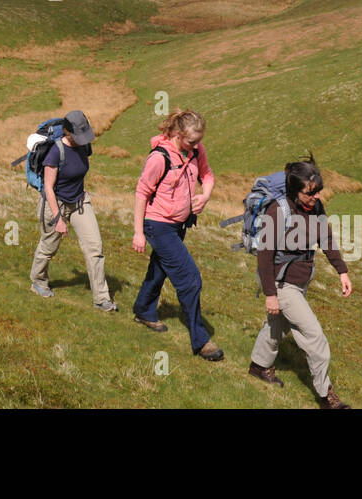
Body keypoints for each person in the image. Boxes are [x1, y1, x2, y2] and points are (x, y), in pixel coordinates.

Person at [247, 157, 354, 408]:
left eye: (318, 191)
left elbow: (326, 238)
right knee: (315, 337)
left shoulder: (315, 208)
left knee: (277, 326)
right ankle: (326, 395)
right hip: (283, 285)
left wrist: (342, 271)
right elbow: (265, 255)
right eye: (310, 193)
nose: (315, 197)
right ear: (294, 190)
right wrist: (270, 294)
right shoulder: (279, 210)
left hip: (301, 281)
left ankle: (259, 366)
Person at [131, 109, 222, 361]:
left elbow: (207, 175)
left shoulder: (195, 150)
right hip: (157, 225)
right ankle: (201, 341)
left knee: (159, 270)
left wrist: (206, 195)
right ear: (179, 135)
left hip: (178, 225)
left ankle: (144, 310)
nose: (196, 145)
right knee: (190, 278)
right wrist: (139, 233)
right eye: (192, 141)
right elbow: (141, 194)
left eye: (199, 140)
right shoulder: (159, 158)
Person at [29, 110, 117, 311]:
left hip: (79, 202)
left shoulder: (84, 145)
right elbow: (48, 188)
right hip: (55, 204)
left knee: (95, 247)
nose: (82, 140)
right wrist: (59, 219)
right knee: (49, 246)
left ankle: (101, 299)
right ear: (67, 133)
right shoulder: (55, 152)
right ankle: (38, 281)